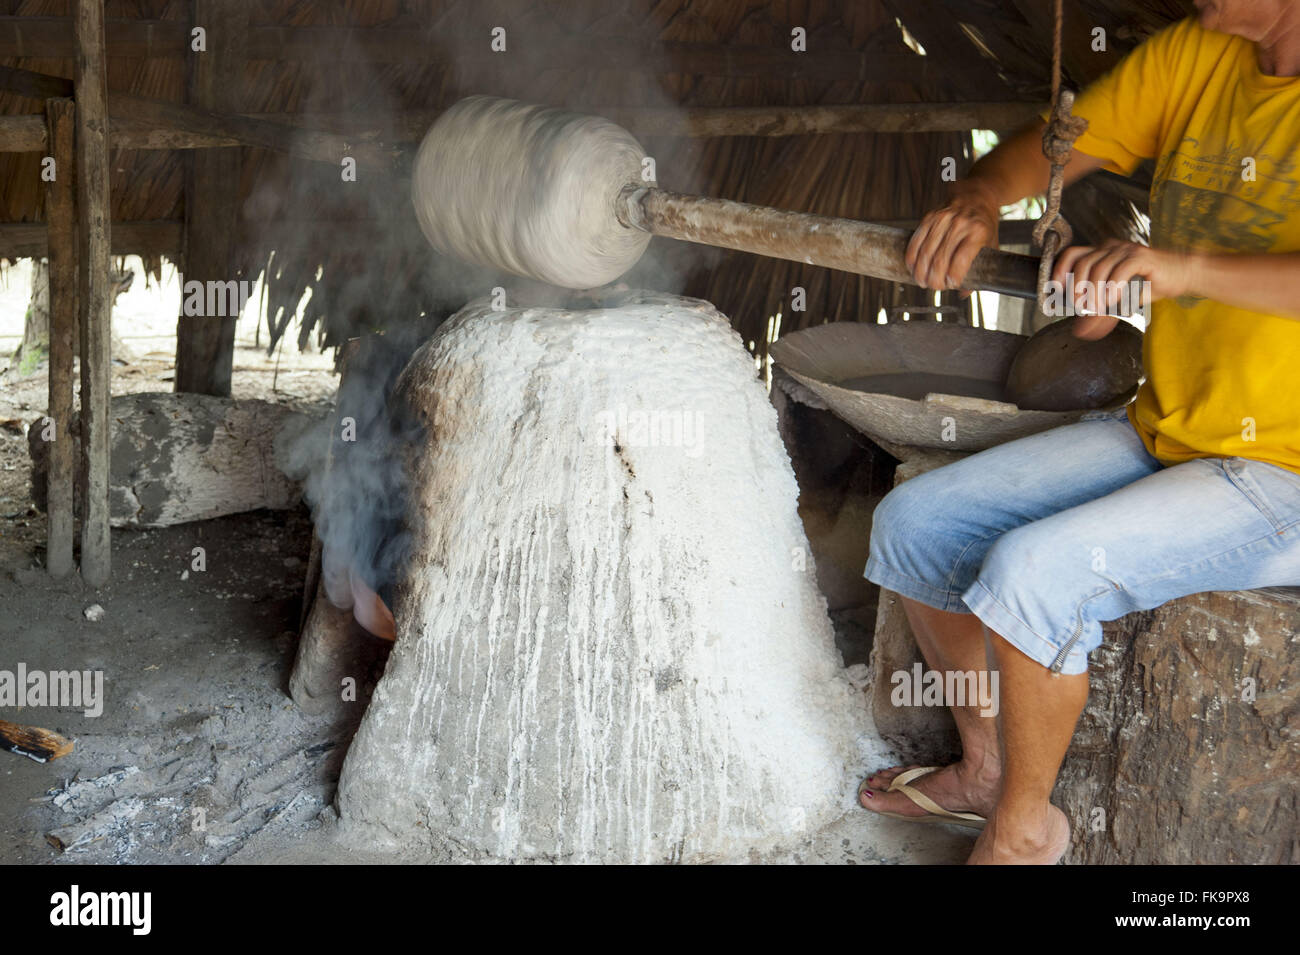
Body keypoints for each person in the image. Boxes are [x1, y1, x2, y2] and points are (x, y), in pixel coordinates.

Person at [859, 0, 1300, 864]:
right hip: (1170, 428)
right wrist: (984, 193)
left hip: (1283, 475)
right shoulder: (1202, 51)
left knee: (1035, 574)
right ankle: (986, 768)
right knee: (916, 525)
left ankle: (1025, 829)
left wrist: (1178, 271)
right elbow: (1059, 144)